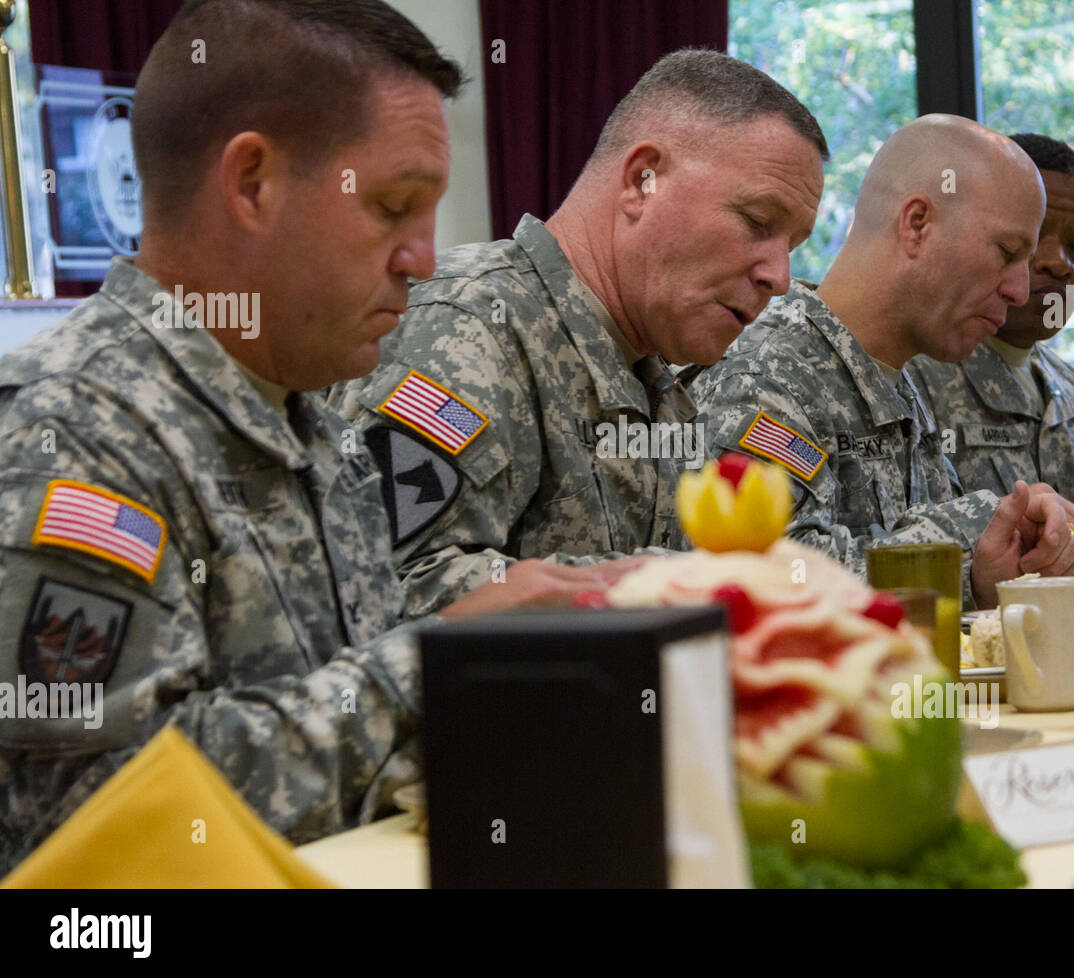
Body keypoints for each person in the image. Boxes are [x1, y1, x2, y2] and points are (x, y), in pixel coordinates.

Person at [0, 0, 616, 874]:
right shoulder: (76, 432)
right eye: (395, 206)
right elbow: (104, 818)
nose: (424, 259)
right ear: (251, 184)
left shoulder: (309, 412)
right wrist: (439, 664)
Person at [328, 50, 828, 614]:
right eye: (758, 222)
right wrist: (673, 585)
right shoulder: (470, 325)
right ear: (644, 181)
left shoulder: (658, 380)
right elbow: (384, 591)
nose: (780, 278)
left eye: (794, 246)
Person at [688, 115, 1074, 609]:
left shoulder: (892, 379)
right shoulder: (765, 375)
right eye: (1006, 251)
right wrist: (968, 542)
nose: (1020, 290)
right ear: (916, 224)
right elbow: (764, 580)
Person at [906, 133, 1074, 528]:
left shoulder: (1070, 389)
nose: (1060, 263)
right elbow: (913, 547)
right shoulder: (917, 377)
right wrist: (1071, 518)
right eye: (1034, 238)